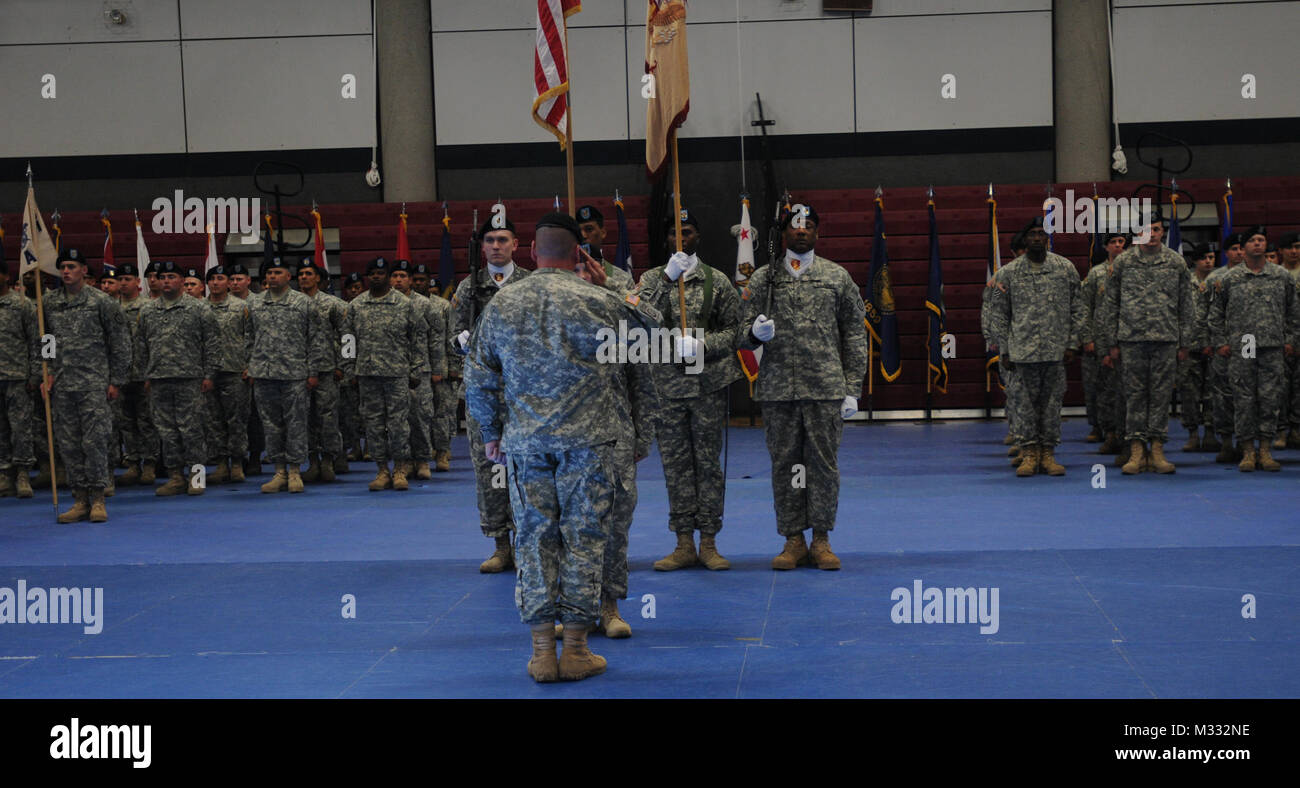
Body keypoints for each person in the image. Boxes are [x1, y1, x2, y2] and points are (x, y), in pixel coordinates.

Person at [465, 212, 655, 682]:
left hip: (527, 444)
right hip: (590, 445)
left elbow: (479, 377)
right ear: (579, 254)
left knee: (533, 541)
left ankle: (541, 654)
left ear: (531, 251)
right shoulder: (598, 300)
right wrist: (611, 289)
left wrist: (491, 433)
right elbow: (656, 333)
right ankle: (575, 649)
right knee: (584, 542)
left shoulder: (502, 304)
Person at [738, 205, 868, 570]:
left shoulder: (837, 278)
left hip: (824, 388)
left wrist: (852, 387)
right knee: (785, 466)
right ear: (783, 233)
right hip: (778, 390)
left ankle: (822, 539)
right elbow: (739, 334)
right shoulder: (764, 279)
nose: (801, 231)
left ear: (817, 232)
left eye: (808, 225)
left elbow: (855, 335)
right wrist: (753, 333)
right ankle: (793, 539)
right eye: (795, 226)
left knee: (822, 466)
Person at [633, 209, 741, 571]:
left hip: (707, 386)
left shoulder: (717, 281)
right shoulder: (651, 279)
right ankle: (682, 543)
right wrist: (667, 279)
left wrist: (704, 345)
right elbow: (633, 316)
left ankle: (709, 542)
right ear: (666, 239)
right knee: (676, 468)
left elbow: (736, 331)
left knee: (708, 466)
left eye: (689, 231)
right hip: (665, 387)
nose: (682, 238)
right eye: (675, 233)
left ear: (698, 236)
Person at [452, 215, 530, 572]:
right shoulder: (469, 288)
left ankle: (530, 540)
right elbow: (451, 339)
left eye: (503, 239)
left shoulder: (530, 284)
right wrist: (461, 342)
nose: (496, 246)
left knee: (529, 468)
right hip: (484, 394)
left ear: (516, 244)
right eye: (490, 241)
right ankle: (501, 544)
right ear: (481, 247)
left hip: (525, 392)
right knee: (490, 469)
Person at [1098, 217, 1195, 474]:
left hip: (1165, 339)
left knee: (1161, 396)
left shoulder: (1175, 261)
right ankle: (1137, 450)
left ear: (1163, 232)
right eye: (1146, 230)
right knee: (1134, 396)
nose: (1151, 234)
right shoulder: (1124, 262)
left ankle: (1158, 449)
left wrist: (1186, 341)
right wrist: (1112, 342)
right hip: (1131, 339)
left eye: (1156, 229)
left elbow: (1187, 304)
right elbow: (1111, 304)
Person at [987, 221, 1084, 476]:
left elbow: (1079, 308)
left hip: (1055, 352)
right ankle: (1029, 454)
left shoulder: (1065, 268)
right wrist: (1005, 350)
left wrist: (1073, 343)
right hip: (1022, 353)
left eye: (1042, 234)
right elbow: (999, 314)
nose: (1037, 239)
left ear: (1048, 239)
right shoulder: (1008, 272)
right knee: (1024, 406)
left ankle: (1048, 455)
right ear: (1025, 240)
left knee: (1052, 406)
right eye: (1032, 235)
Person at [41, 249, 131, 522]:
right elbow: (46, 341)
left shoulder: (101, 302)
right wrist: (46, 372)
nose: (66, 271)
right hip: (64, 384)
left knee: (95, 443)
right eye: (62, 267)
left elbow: (120, 343)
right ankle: (79, 499)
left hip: (94, 383)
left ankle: (98, 499)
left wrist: (116, 380)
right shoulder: (50, 303)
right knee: (69, 444)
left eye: (71, 266)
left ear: (83, 270)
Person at [1209, 226, 1300, 471]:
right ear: (1244, 247)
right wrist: (1221, 342)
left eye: (1261, 240)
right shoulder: (1229, 278)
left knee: (1270, 399)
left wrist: (1291, 339)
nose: (1257, 244)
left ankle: (1266, 450)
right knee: (1244, 399)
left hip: (1272, 346)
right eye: (1252, 241)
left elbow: (1293, 311)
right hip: (1244, 345)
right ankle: (1248, 450)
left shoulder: (1281, 276)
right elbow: (1216, 314)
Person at [135, 261, 219, 496]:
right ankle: (175, 477)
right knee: (167, 431)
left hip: (190, 378)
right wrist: (146, 375)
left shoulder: (199, 309)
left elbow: (212, 344)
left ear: (182, 281)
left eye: (172, 276)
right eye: (163, 277)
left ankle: (197, 476)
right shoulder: (149, 311)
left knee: (192, 429)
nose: (167, 281)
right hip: (159, 378)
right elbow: (141, 346)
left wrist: (209, 374)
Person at [342, 257, 425, 492]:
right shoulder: (356, 306)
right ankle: (381, 470)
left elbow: (417, 339)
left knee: (399, 424)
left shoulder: (405, 304)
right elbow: (348, 341)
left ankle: (400, 468)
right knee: (373, 425)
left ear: (388, 276)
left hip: (397, 373)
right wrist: (350, 369)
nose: (376, 277)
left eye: (380, 273)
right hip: (367, 374)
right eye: (372, 273)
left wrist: (416, 369)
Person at [245, 257, 327, 493]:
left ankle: (294, 471)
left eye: (277, 272)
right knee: (271, 425)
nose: (272, 276)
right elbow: (249, 338)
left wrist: (313, 372)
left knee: (296, 423)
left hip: (294, 374)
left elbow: (315, 339)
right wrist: (251, 366)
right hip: (264, 373)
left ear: (288, 277)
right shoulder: (255, 303)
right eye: (269, 272)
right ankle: (279, 470)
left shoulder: (303, 303)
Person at [390, 259, 443, 480]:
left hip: (420, 369)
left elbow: (437, 337)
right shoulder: (385, 302)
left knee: (420, 417)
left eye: (403, 276)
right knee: (397, 420)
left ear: (410, 280)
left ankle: (422, 460)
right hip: (393, 369)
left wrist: (439, 368)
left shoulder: (424, 304)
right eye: (395, 276)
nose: (398, 280)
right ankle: (404, 461)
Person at [297, 258, 347, 482]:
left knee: (327, 417)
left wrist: (342, 365)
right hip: (297, 370)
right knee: (304, 417)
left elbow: (346, 336)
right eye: (301, 274)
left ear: (318, 278)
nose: (304, 277)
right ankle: (313, 461)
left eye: (308, 273)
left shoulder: (333, 304)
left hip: (327, 369)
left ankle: (329, 459)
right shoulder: (292, 303)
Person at [1201, 233, 1247, 462]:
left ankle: (1247, 443)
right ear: (1226, 252)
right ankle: (1227, 442)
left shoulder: (1256, 276)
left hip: (1250, 345)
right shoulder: (1215, 279)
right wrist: (1212, 342)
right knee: (1222, 395)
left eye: (1242, 248)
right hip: (1223, 346)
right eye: (1234, 248)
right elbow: (1206, 314)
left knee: (1249, 394)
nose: (1239, 252)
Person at [1080, 232, 1127, 453]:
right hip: (1100, 340)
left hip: (1127, 338)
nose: (1118, 246)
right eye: (1114, 243)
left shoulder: (1131, 270)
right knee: (1100, 387)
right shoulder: (1096, 273)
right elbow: (1085, 308)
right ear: (1106, 247)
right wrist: (1086, 338)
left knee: (1123, 388)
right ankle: (1103, 429)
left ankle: (1124, 433)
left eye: (1121, 242)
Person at [204, 265, 250, 484]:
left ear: (228, 282)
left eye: (220, 278)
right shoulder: (199, 308)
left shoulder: (242, 307)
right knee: (213, 420)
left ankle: (238, 463)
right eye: (212, 278)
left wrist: (250, 365)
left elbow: (251, 337)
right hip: (208, 373)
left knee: (237, 420)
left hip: (235, 370)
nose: (215, 282)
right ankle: (221, 463)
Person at [0, 257, 39, 499]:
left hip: (18, 376)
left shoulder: (22, 305)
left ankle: (23, 473)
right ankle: (4, 473)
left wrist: (38, 373)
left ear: (5, 276)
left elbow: (41, 340)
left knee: (21, 428)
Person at [411, 262, 454, 472]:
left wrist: (449, 368)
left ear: (429, 282)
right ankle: (424, 453)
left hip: (439, 368)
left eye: (422, 280)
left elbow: (448, 339)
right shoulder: (407, 303)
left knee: (441, 412)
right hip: (418, 369)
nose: (419, 283)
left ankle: (443, 452)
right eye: (416, 279)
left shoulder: (442, 306)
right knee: (421, 413)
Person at [1178, 243, 1215, 450]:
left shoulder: (1221, 280)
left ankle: (1210, 432)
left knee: (1212, 393)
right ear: (1195, 261)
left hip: (1213, 346)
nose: (1208, 261)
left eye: (1211, 257)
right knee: (1189, 392)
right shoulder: (1184, 281)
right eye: (1204, 258)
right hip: (1189, 346)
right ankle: (1192, 434)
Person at [339, 271, 367, 463]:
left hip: (370, 367)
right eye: (352, 288)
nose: (355, 291)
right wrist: (349, 370)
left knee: (370, 412)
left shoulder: (366, 307)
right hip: (351, 368)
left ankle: (370, 447)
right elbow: (345, 343)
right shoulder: (343, 310)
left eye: (358, 288)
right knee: (350, 413)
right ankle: (355, 447)